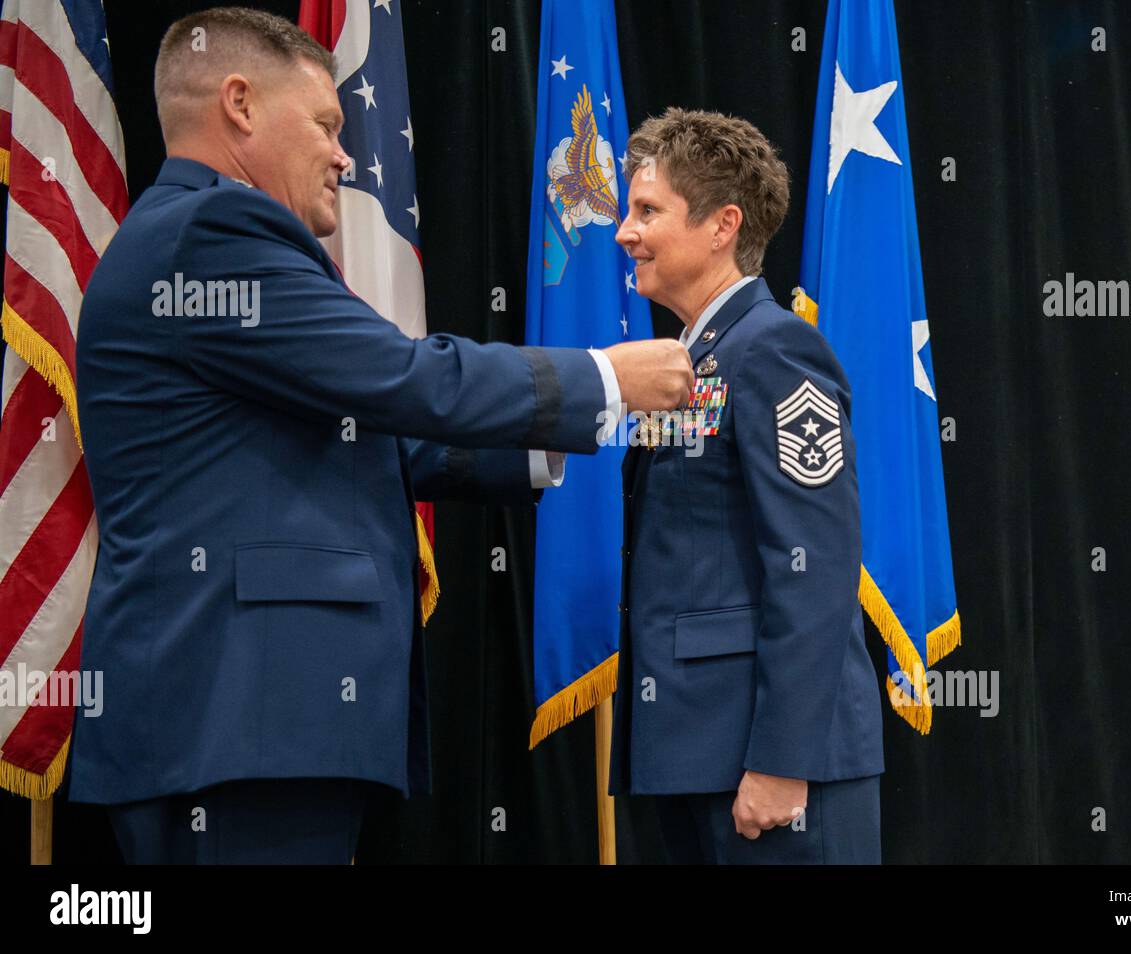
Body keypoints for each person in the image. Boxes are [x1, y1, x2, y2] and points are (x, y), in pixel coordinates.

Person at [67, 7, 692, 864]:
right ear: (240, 103)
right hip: (235, 724)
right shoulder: (210, 236)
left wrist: (559, 440)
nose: (344, 154)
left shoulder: (209, 239)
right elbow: (404, 378)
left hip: (252, 728)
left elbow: (370, 430)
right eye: (327, 123)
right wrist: (604, 377)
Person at [609, 108, 885, 864]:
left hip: (767, 769)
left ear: (722, 224)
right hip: (687, 756)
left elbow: (816, 565)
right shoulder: (691, 358)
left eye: (647, 211)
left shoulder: (776, 351)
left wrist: (781, 760)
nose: (623, 233)